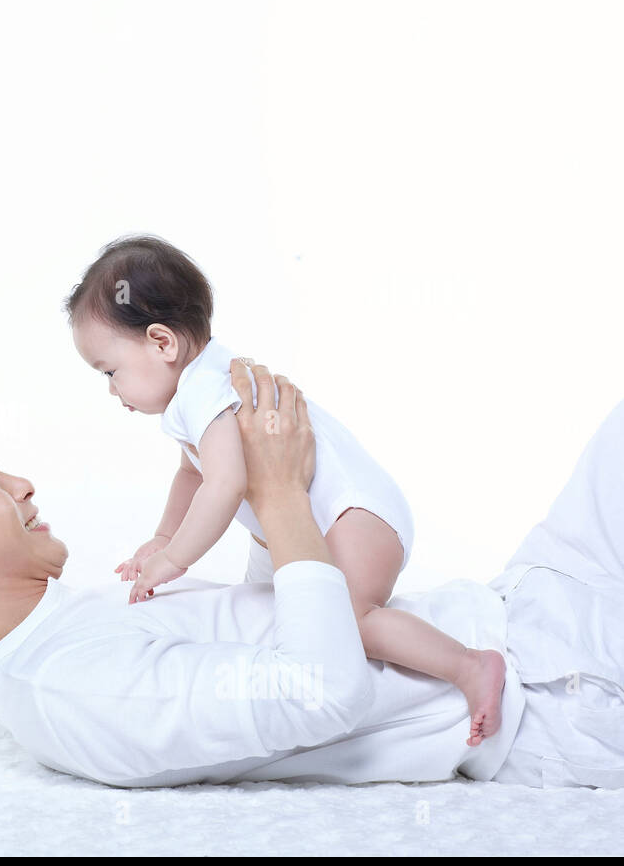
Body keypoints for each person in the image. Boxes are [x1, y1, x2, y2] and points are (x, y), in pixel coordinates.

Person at [0, 361, 624, 789]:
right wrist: (274, 491)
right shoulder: (75, 691)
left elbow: (279, 617)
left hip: (527, 601)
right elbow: (317, 689)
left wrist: (253, 484)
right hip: (554, 689)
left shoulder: (63, 632)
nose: (21, 485)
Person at [66, 234, 504, 745]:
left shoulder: (204, 391)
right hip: (337, 518)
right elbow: (194, 474)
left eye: (110, 371)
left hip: (356, 515)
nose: (112, 391)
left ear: (162, 342)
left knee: (347, 622)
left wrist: (175, 559)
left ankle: (471, 666)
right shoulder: (200, 386)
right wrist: (163, 535)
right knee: (286, 613)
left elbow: (225, 485)